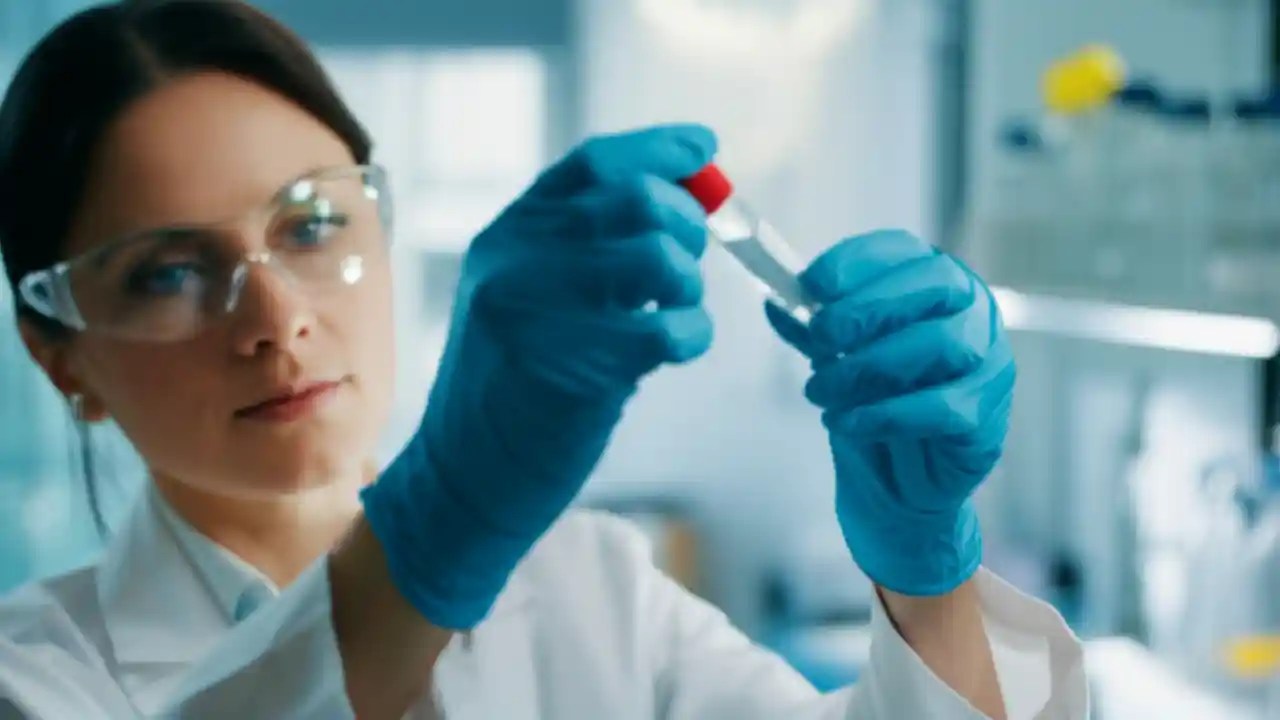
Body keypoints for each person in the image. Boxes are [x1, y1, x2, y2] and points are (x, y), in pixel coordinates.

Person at [0, 1, 1087, 718]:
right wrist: (446, 520)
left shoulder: (590, 589)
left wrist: (925, 572)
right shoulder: (34, 679)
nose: (274, 318)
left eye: (312, 225)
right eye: (166, 272)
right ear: (59, 356)